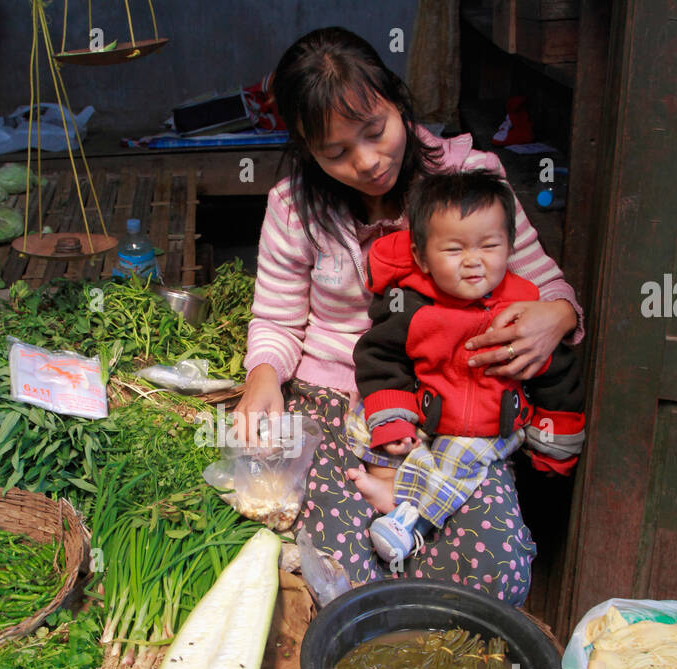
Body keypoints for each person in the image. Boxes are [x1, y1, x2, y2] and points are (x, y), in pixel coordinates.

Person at [235, 26, 584, 604]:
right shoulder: (294, 210)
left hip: (457, 402)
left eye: (376, 132)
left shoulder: (470, 180)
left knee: (495, 573)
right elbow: (276, 320)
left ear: (398, 101)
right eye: (336, 152)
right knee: (344, 578)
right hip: (340, 396)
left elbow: (543, 281)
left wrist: (556, 314)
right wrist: (263, 377)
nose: (368, 162)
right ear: (306, 148)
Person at [349, 169, 585, 564]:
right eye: (454, 250)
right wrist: (394, 422)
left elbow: (558, 374)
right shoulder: (409, 307)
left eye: (489, 246)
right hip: (426, 410)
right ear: (422, 259)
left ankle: (411, 523)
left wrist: (554, 446)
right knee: (366, 420)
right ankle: (389, 480)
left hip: (487, 426)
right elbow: (380, 359)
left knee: (460, 459)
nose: (473, 262)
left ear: (510, 248)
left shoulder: (524, 313)